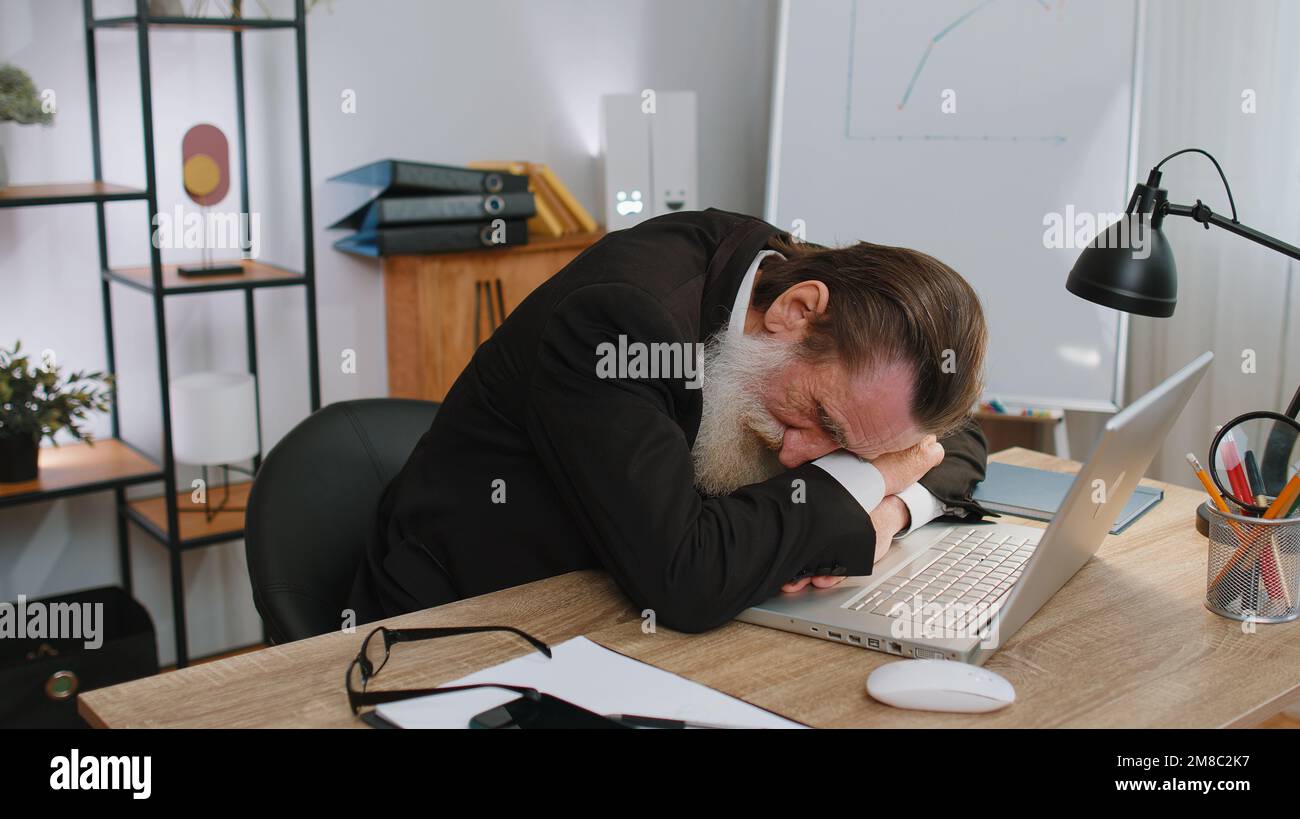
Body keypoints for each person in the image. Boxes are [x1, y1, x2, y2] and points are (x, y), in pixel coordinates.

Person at [348, 208, 990, 631]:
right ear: (795, 311)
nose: (804, 456)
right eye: (819, 417)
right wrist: (858, 489)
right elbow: (684, 578)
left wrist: (891, 510)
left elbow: (957, 434)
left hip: (617, 621)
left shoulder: (833, 302)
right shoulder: (619, 321)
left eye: (852, 446)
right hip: (463, 629)